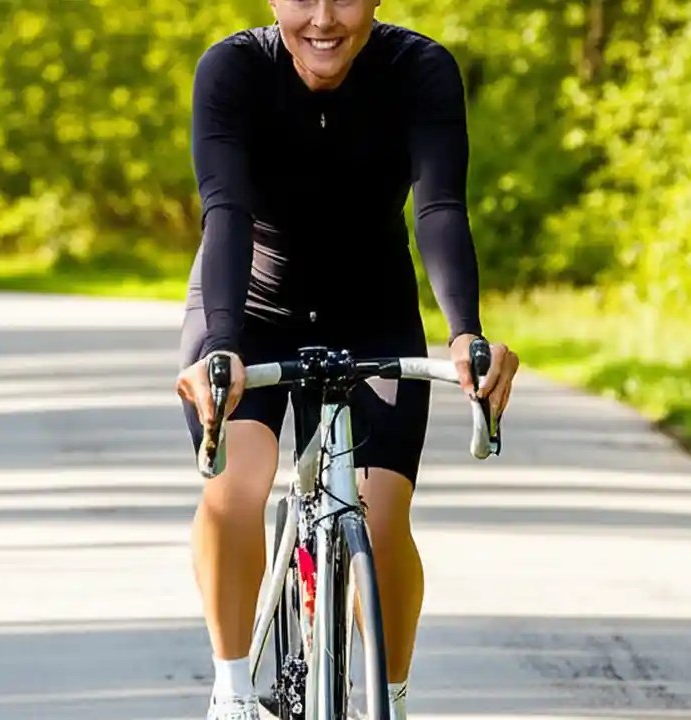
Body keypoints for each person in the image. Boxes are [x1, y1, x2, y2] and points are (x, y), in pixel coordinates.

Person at [174, 1, 520, 718]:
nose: (324, 18)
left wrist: (465, 335)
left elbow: (440, 208)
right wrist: (223, 345)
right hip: (249, 309)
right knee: (237, 484)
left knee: (384, 517)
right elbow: (226, 211)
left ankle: (386, 698)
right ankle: (233, 694)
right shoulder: (233, 70)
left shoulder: (419, 69)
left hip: (373, 311)